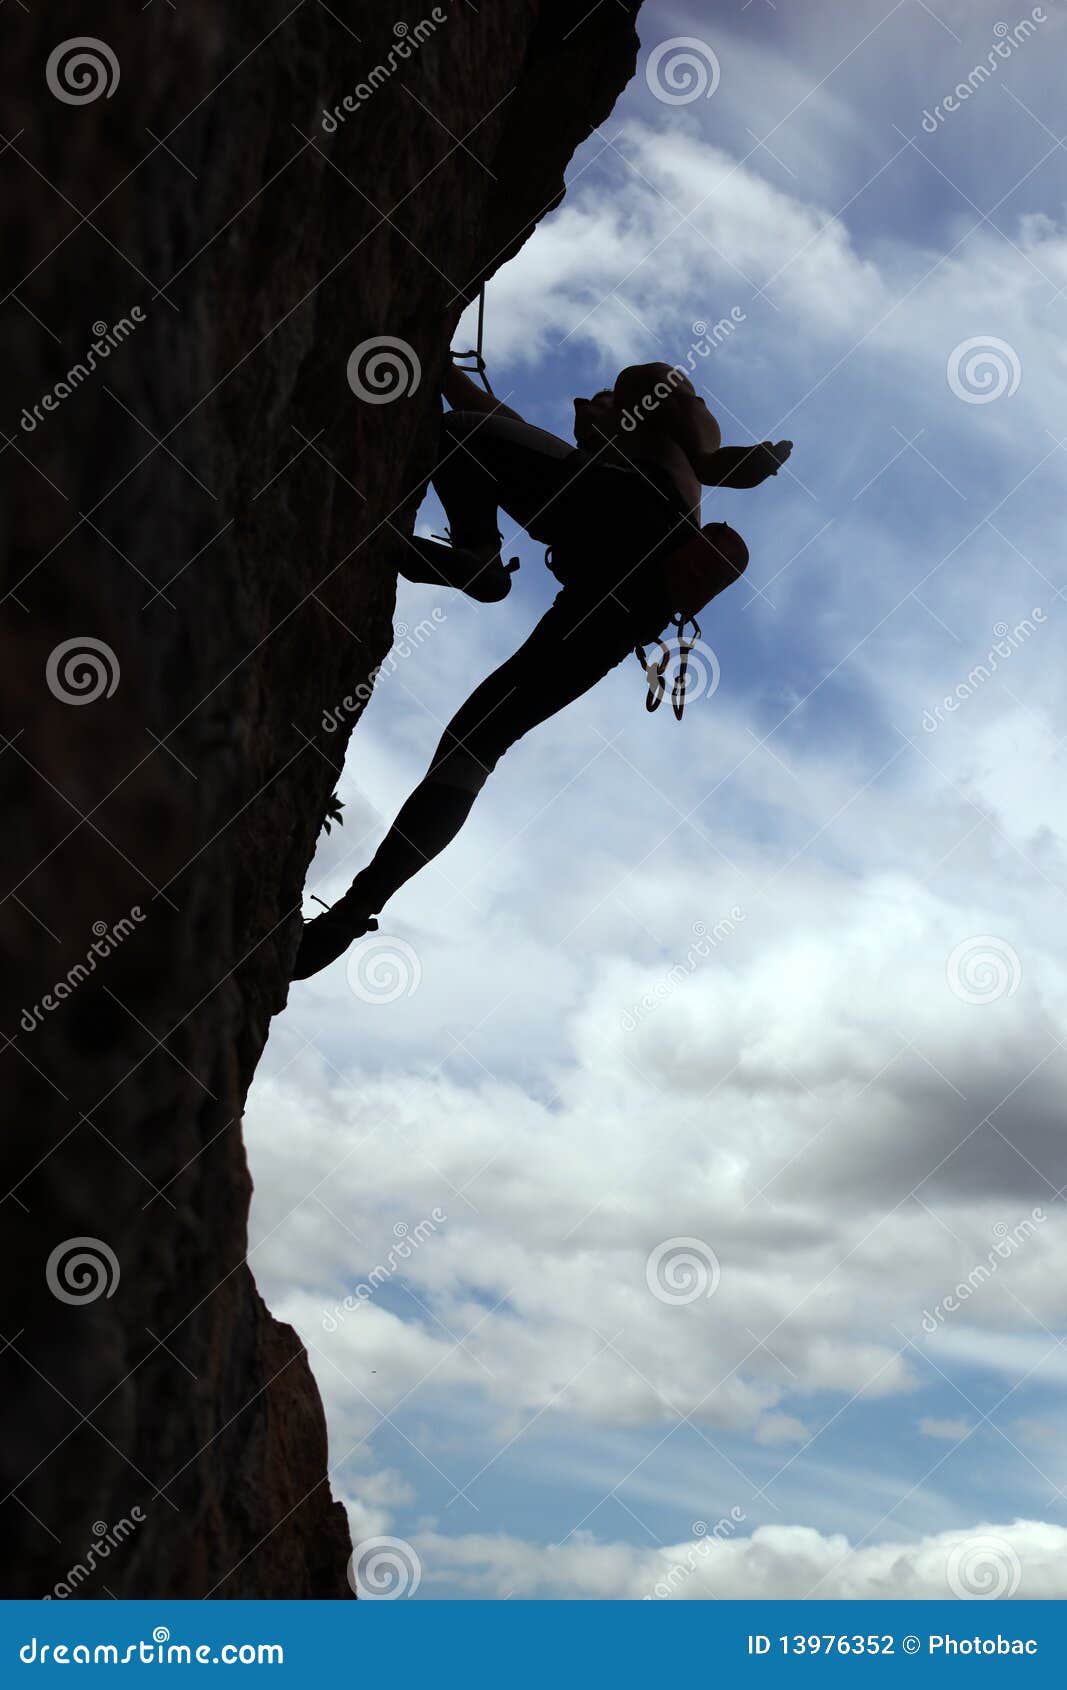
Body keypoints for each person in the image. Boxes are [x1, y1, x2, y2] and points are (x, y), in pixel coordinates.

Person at [292, 359, 791, 979]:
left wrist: (737, 458)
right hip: (627, 607)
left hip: (626, 520)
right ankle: (354, 911)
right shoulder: (637, 460)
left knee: (462, 435)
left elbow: (501, 431)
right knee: (476, 740)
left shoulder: (648, 422)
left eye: (602, 399)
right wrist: (443, 369)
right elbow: (514, 430)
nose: (589, 400)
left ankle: (479, 556)